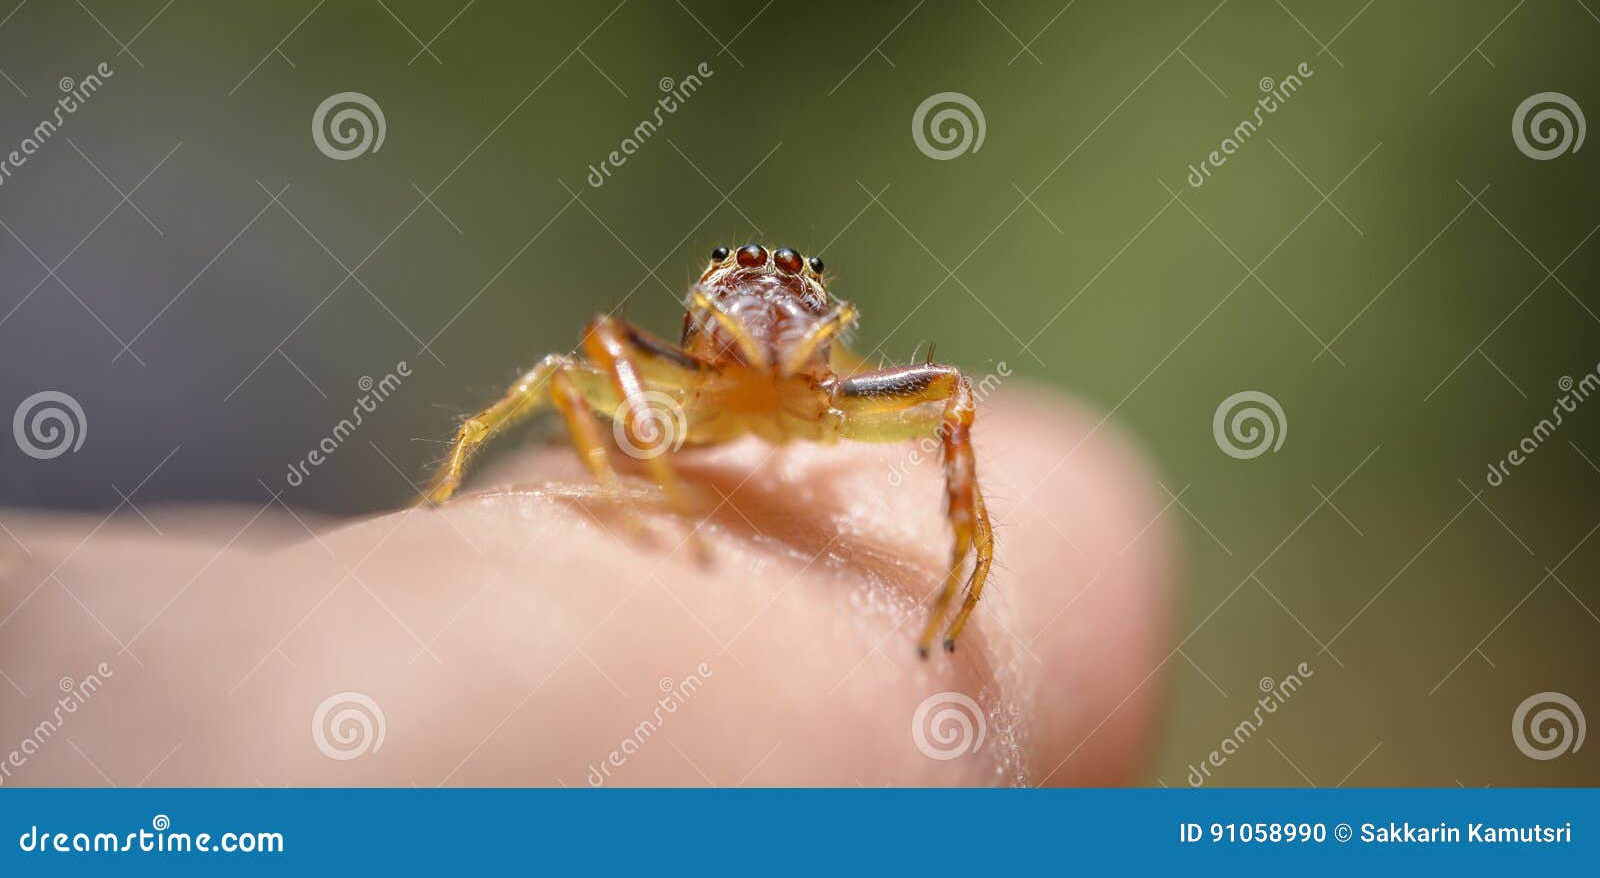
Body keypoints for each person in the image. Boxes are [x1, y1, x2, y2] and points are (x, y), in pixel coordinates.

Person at [0, 387, 1173, 786]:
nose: (769, 308)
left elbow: (946, 414)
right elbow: (577, 372)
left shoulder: (839, 397)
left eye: (796, 292)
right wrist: (629, 486)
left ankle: (962, 578)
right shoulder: (656, 373)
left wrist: (963, 559)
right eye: (739, 287)